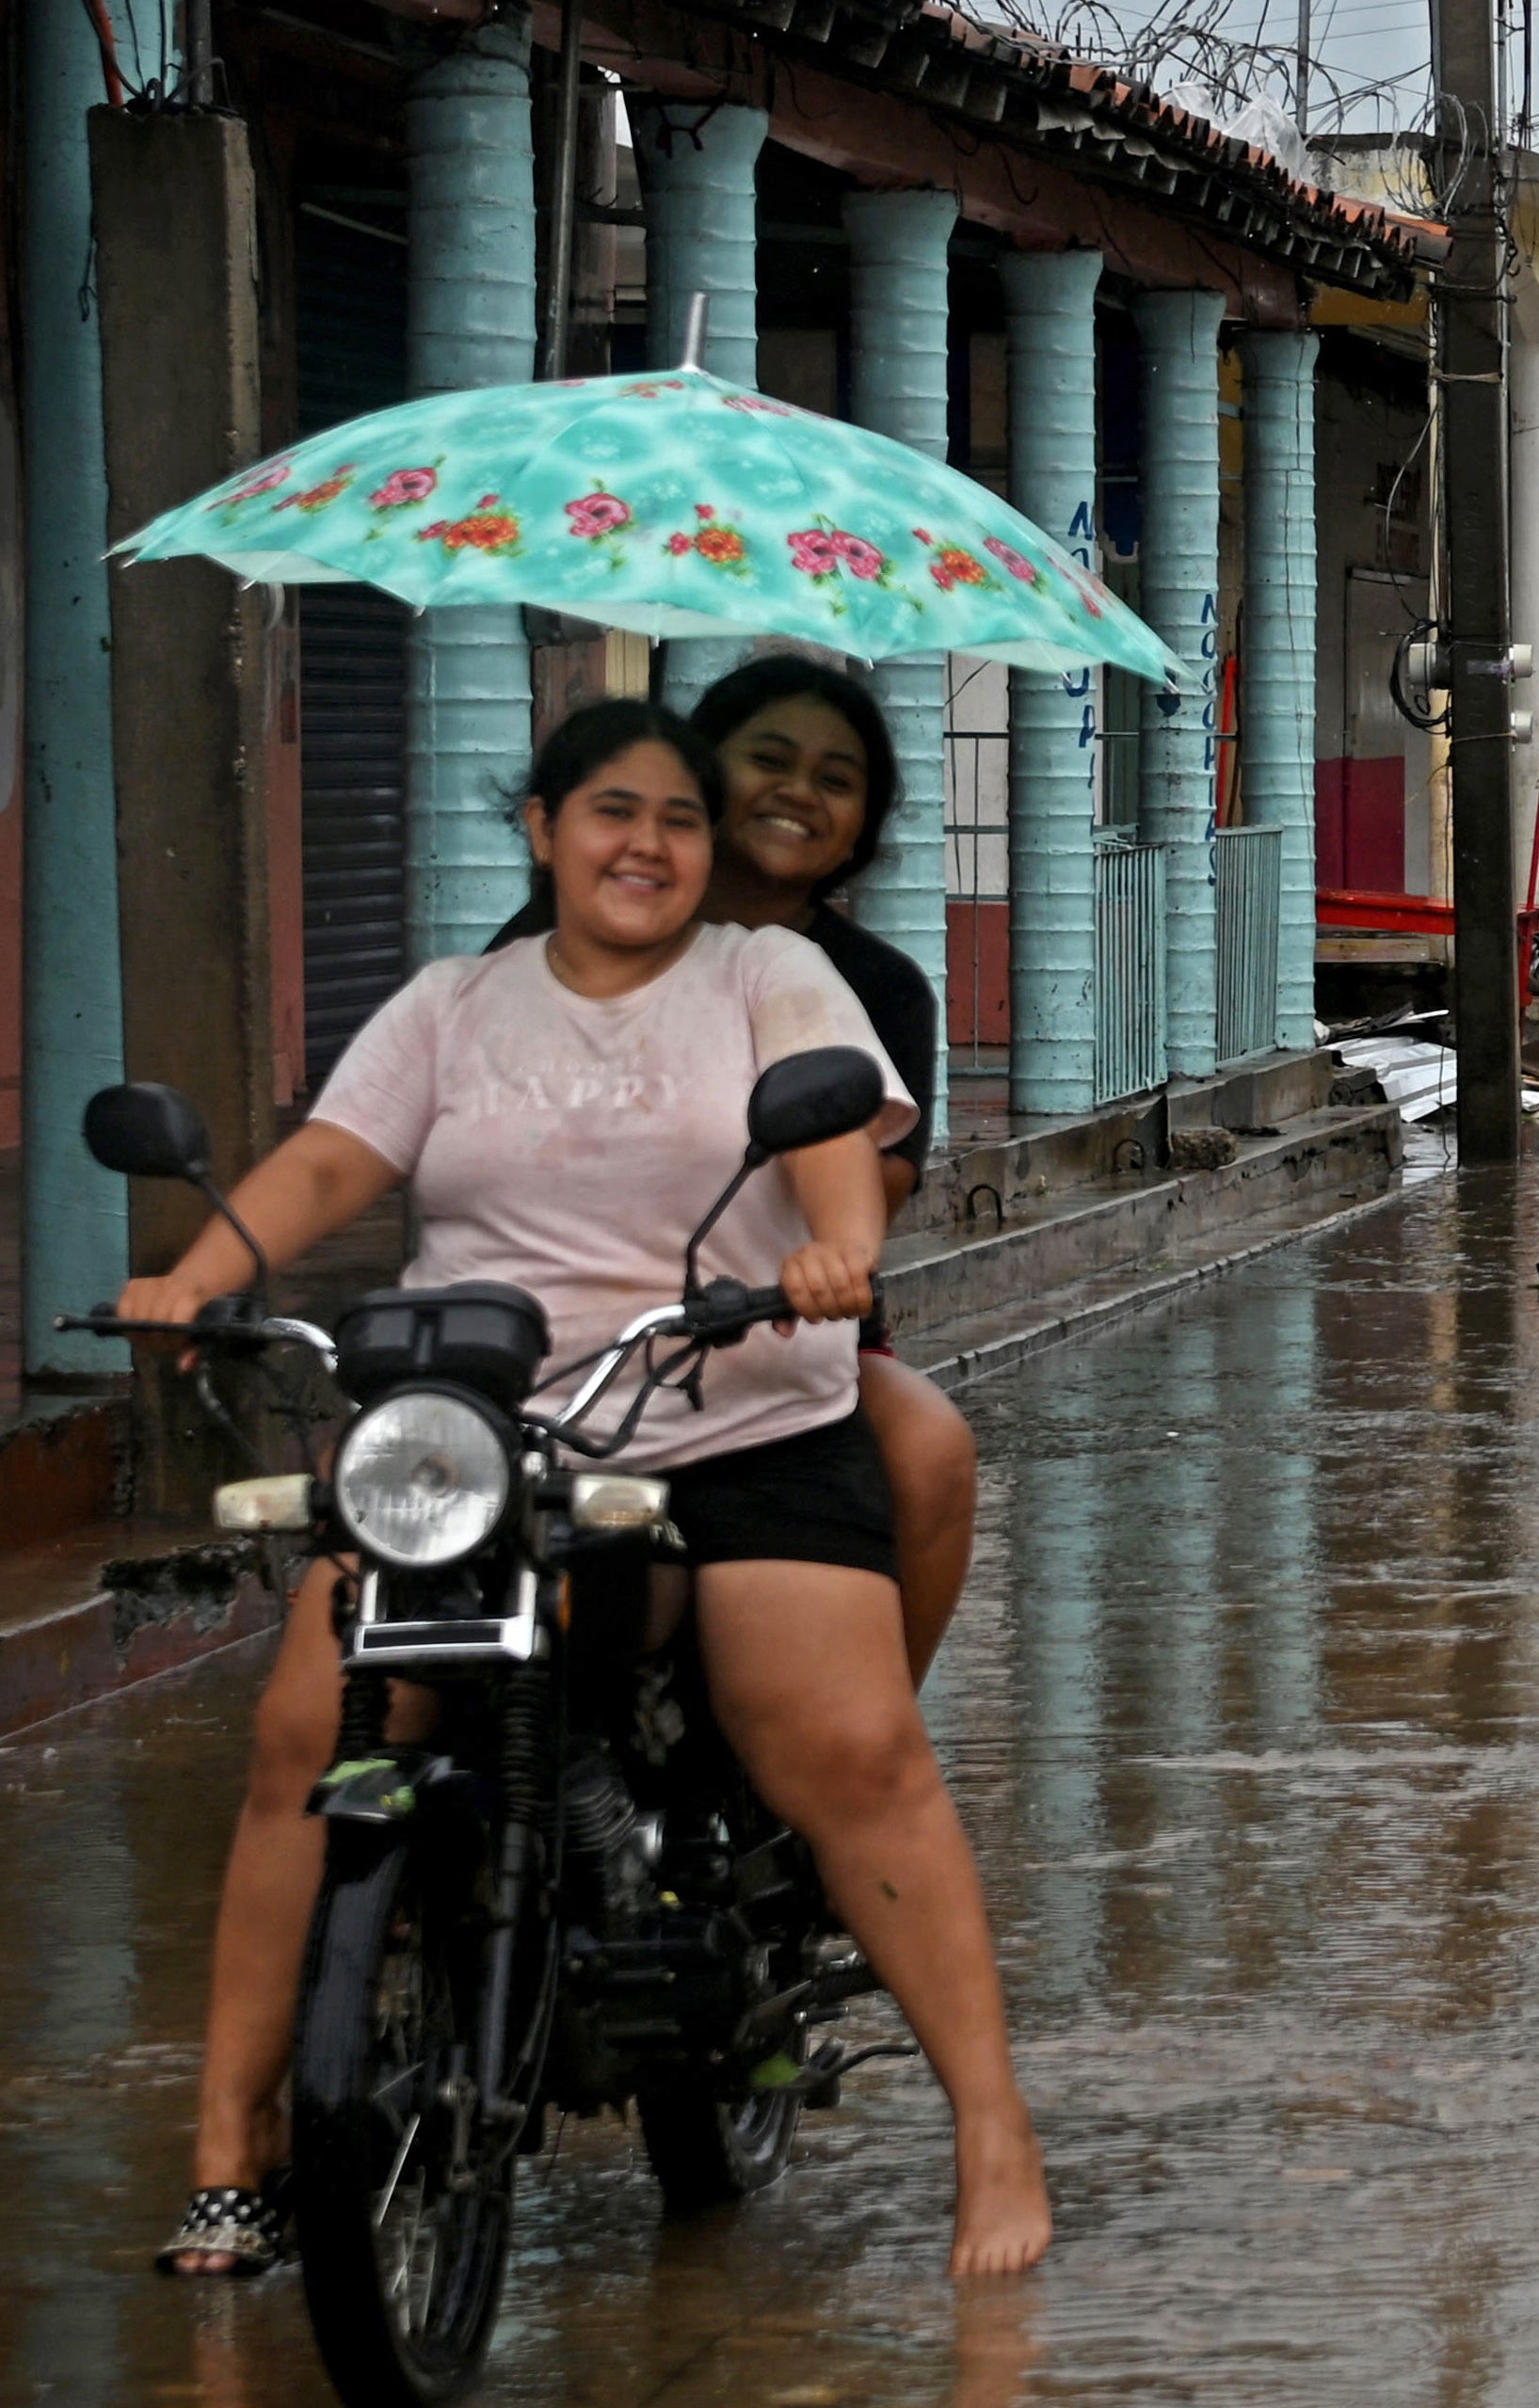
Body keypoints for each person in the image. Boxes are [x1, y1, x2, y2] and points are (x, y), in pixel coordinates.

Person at [139, 701, 1050, 2283]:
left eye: (680, 819)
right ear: (543, 825)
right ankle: (233, 2139)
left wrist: (839, 1246)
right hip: (492, 1430)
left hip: (740, 1418)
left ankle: (991, 2127)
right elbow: (326, 1164)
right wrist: (196, 1271)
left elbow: (834, 1130)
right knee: (311, 1726)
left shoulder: (773, 975)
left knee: (843, 1744)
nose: (647, 843)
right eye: (610, 810)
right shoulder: (452, 1002)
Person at [490, 659, 983, 1682]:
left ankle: (871, 1736)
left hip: (780, 1336)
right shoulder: (551, 943)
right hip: (568, 1340)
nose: (798, 790)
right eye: (767, 758)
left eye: (836, 779)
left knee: (931, 1452)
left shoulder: (879, 988)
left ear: (863, 830)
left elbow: (868, 1196)